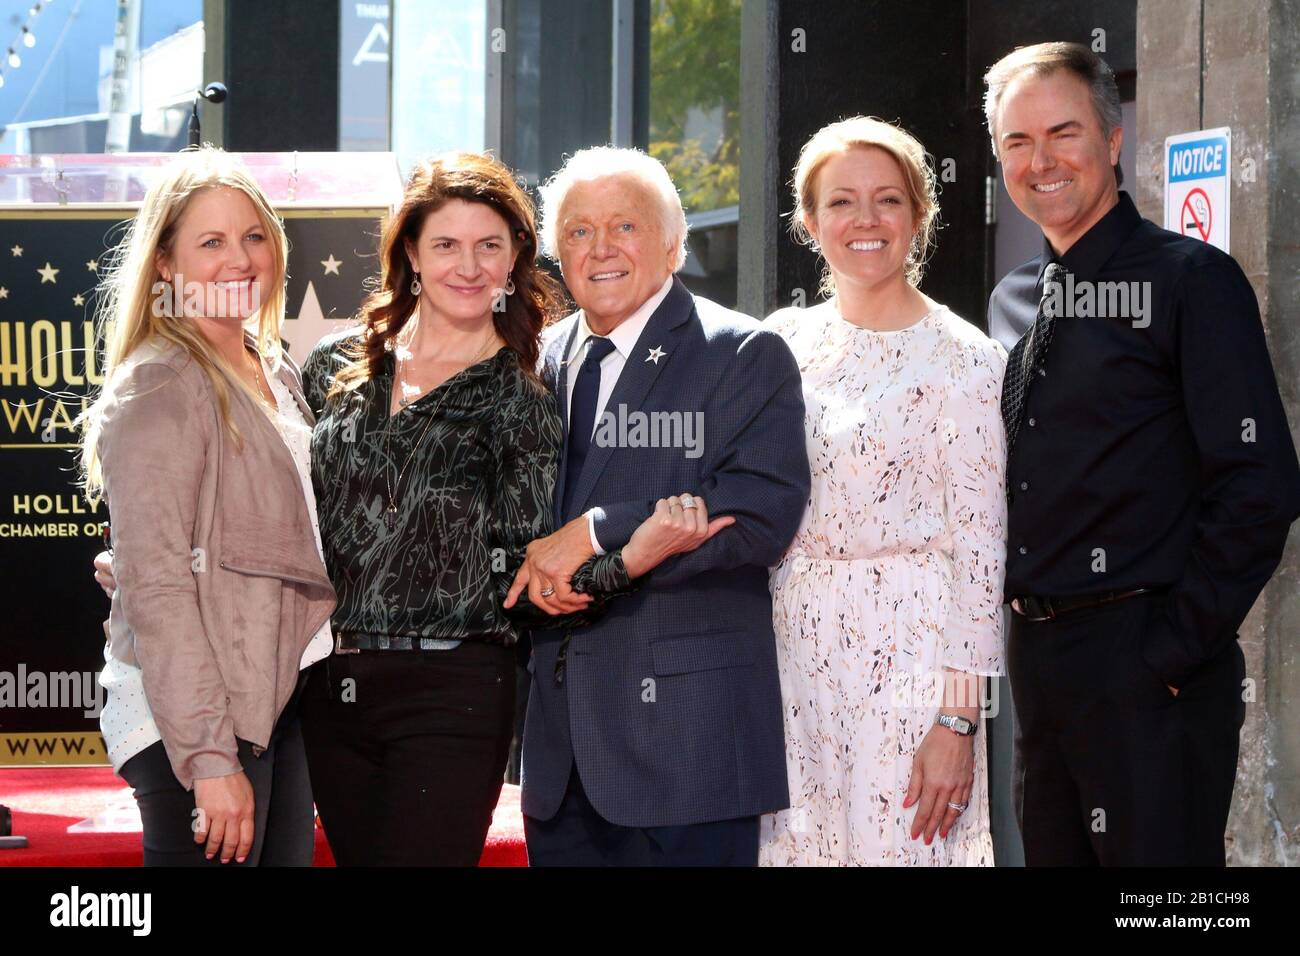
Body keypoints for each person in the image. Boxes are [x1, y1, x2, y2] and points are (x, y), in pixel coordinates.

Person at [93, 151, 714, 867]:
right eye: (446, 244)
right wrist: (155, 565)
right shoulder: (332, 366)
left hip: (452, 695)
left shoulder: (523, 397)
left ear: (516, 262)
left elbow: (523, 570)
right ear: (410, 253)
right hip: (323, 692)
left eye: (491, 246)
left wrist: (622, 562)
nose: (469, 265)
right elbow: (288, 516)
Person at [984, 42, 1300, 865]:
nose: (1040, 161)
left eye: (1063, 133)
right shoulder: (1014, 299)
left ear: (1114, 138)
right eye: (1017, 142)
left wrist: (1167, 656)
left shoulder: (1191, 279)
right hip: (1039, 666)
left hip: (1148, 667)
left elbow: (1259, 485)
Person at [505, 146, 811, 866]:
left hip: (687, 752)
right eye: (578, 231)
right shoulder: (538, 362)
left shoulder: (742, 353)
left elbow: (758, 512)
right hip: (562, 761)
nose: (600, 248)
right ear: (556, 252)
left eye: (625, 227)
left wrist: (597, 531)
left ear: (672, 242)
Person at [760, 117, 1007, 865]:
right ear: (809, 222)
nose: (864, 221)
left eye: (887, 200)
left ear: (920, 216)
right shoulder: (780, 342)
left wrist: (958, 723)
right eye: (841, 202)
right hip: (790, 654)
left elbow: (981, 553)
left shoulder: (967, 360)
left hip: (912, 661)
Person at [80, 147, 337, 866]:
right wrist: (208, 757)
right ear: (165, 263)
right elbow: (159, 588)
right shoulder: (160, 384)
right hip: (196, 721)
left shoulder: (274, 365)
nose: (240, 259)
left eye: (254, 236)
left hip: (273, 701)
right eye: (212, 242)